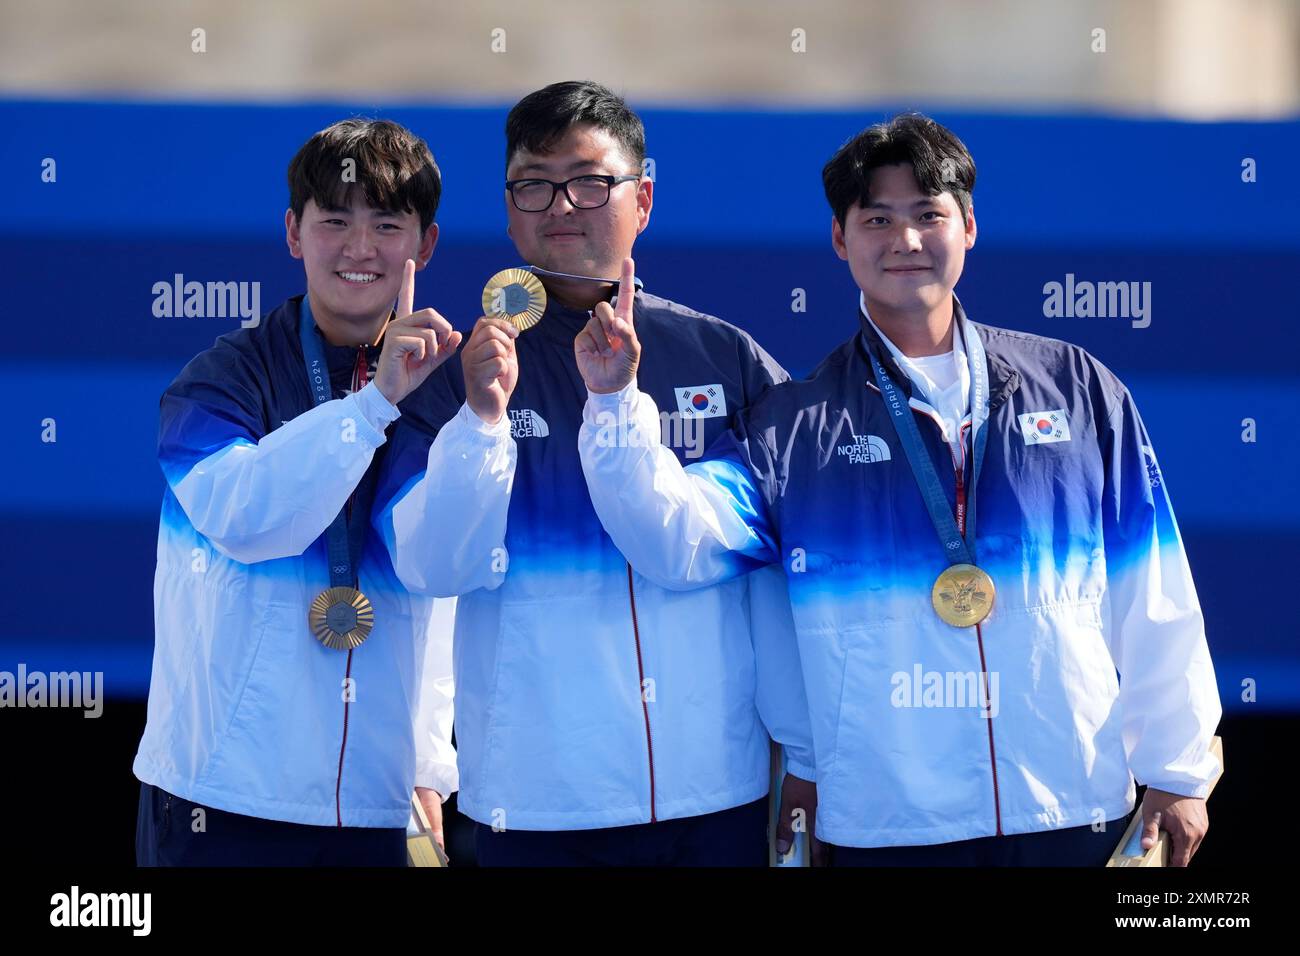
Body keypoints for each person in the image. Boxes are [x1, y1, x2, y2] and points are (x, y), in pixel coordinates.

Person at [575, 113, 1222, 866]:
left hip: (1070, 802)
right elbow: (673, 544)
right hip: (889, 821)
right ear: (840, 240)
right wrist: (618, 401)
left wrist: (1178, 770)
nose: (905, 241)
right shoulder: (794, 425)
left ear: (969, 226)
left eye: (928, 215)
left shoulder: (1075, 390)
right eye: (877, 218)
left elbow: (1154, 588)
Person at [373, 80, 818, 866]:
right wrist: (480, 422)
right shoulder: (453, 376)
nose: (562, 206)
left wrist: (807, 754)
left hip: (711, 793)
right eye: (534, 186)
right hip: (529, 803)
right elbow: (430, 568)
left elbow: (774, 576)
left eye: (589, 182)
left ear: (642, 199)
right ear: (509, 212)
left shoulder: (726, 359)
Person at [134, 118, 462, 866]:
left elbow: (441, 591)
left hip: (380, 805)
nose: (359, 248)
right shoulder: (220, 379)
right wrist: (375, 404)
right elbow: (245, 520)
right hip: (220, 796)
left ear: (426, 244)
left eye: (387, 223)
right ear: (293, 232)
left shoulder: (447, 392)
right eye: (334, 220)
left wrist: (427, 769)